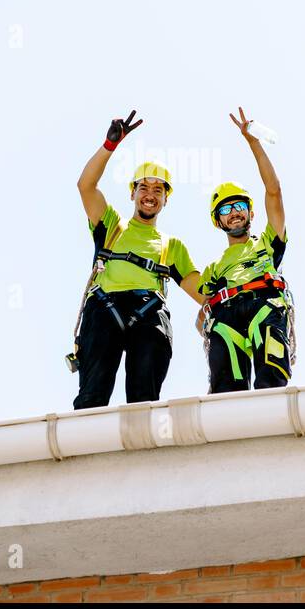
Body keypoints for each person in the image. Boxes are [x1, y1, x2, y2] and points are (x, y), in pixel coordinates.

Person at [71, 108, 205, 408]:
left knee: (144, 402)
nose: (150, 194)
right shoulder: (111, 227)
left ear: (165, 199)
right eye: (144, 187)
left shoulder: (172, 246)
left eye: (158, 189)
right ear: (133, 193)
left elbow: (203, 294)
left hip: (148, 314)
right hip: (104, 310)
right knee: (92, 397)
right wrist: (110, 145)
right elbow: (86, 186)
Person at [196, 107, 293, 393]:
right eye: (226, 209)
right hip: (227, 318)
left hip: (265, 306)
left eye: (239, 206)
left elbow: (273, 191)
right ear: (218, 220)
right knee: (226, 392)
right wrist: (203, 322)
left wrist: (254, 143)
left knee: (270, 381)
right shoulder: (214, 269)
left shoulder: (267, 242)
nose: (234, 212)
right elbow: (202, 309)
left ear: (250, 212)